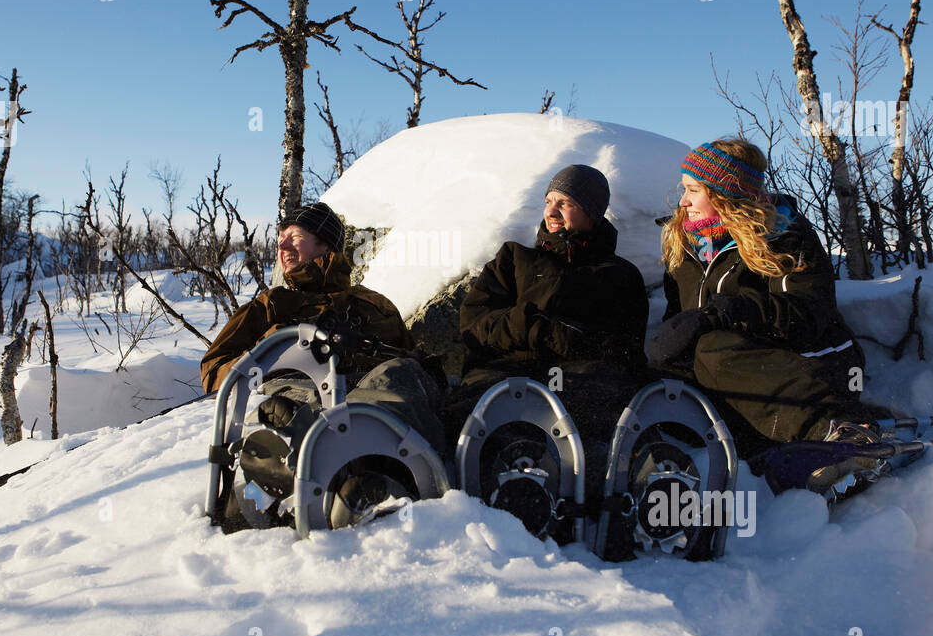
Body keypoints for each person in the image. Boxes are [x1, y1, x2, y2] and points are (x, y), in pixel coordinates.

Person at [201, 201, 445, 531]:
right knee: (293, 409)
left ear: (325, 244)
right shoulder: (270, 306)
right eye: (280, 237)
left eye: (294, 236)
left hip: (375, 392)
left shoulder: (374, 304)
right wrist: (275, 350)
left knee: (399, 377)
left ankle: (349, 469)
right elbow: (215, 371)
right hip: (301, 391)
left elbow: (409, 358)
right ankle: (341, 477)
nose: (282, 245)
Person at [648, 138, 889, 469]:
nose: (683, 201)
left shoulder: (783, 236)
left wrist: (727, 312)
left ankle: (839, 431)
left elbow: (807, 314)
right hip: (734, 373)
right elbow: (682, 319)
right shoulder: (684, 244)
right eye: (684, 189)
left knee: (714, 349)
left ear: (725, 194)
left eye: (693, 190)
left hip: (814, 361)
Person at [451, 165, 651, 522]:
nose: (551, 210)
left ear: (591, 211)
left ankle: (592, 500)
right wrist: (528, 326)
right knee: (487, 409)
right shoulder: (514, 259)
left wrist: (566, 339)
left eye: (565, 202)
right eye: (548, 200)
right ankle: (506, 495)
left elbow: (626, 353)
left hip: (581, 383)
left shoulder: (619, 276)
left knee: (595, 410)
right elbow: (474, 325)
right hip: (507, 375)